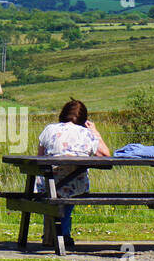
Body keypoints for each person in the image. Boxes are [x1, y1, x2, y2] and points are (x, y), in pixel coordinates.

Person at [34, 99, 111, 248]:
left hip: (49, 183)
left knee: (52, 190)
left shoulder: (49, 130)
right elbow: (105, 155)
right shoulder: (86, 134)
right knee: (69, 192)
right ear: (84, 119)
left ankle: (52, 234)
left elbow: (40, 156)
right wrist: (95, 132)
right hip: (75, 185)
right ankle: (63, 234)